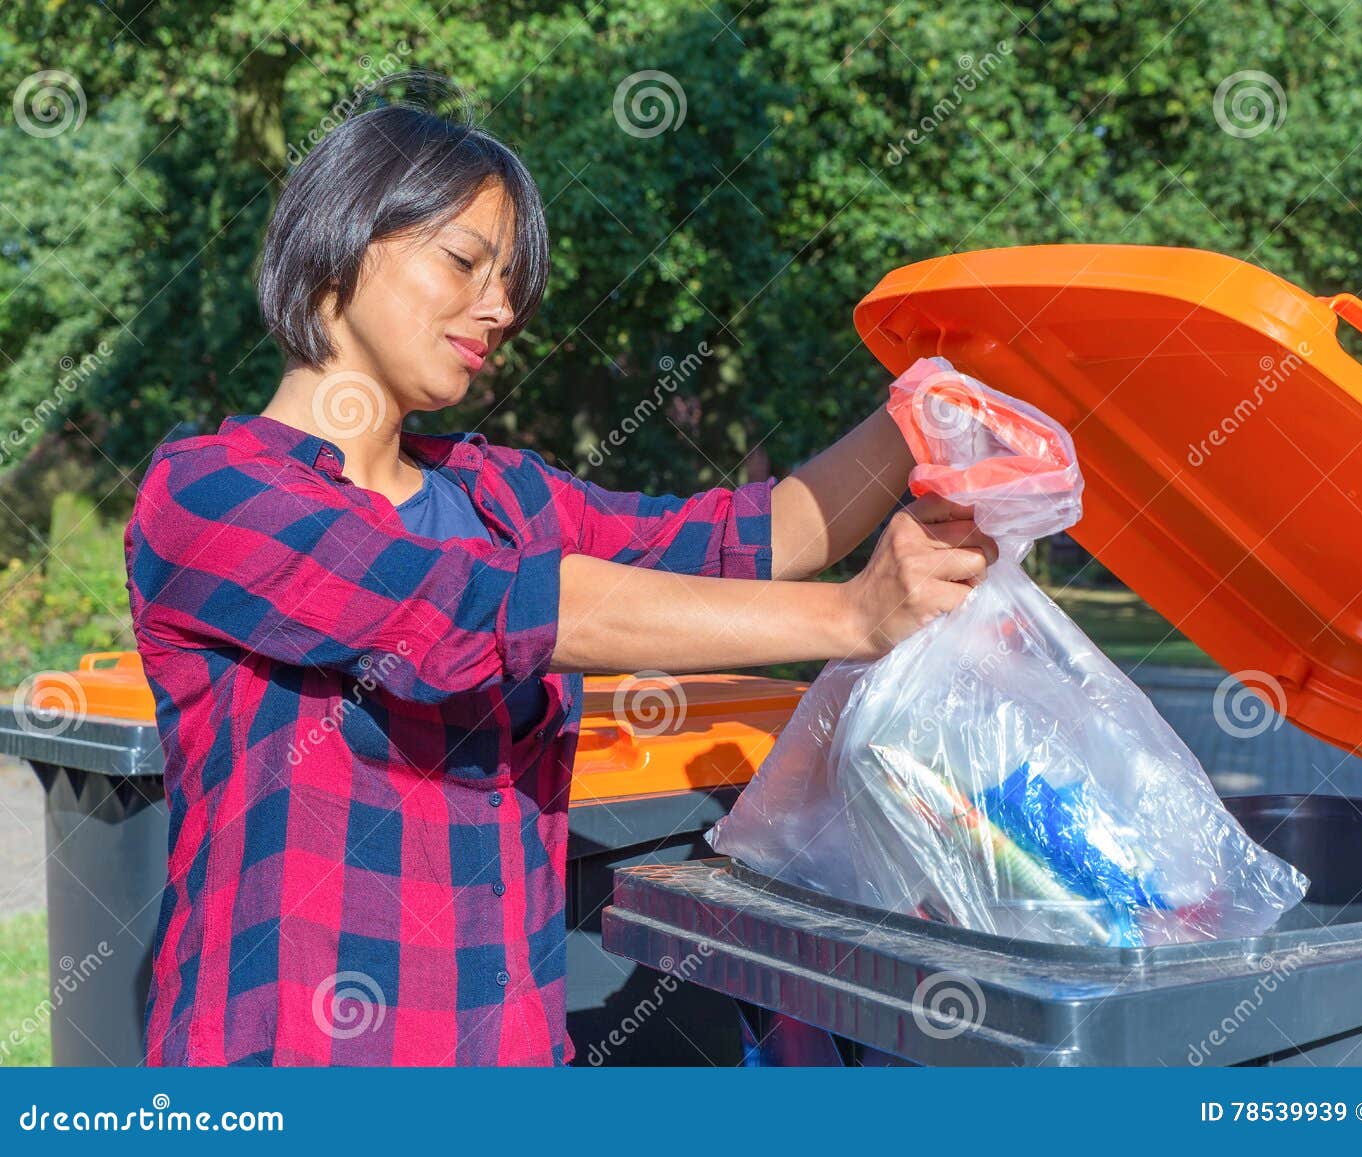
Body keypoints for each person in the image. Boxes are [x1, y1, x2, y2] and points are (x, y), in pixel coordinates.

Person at [123, 85, 995, 1066]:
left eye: (509, 285)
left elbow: (749, 538)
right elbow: (488, 611)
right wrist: (853, 614)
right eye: (462, 261)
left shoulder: (502, 494)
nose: (498, 310)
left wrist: (930, 394)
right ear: (342, 239)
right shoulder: (209, 495)